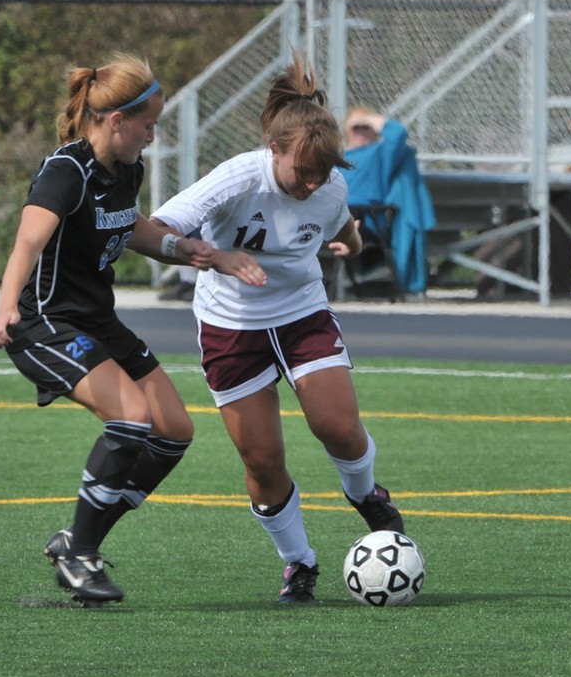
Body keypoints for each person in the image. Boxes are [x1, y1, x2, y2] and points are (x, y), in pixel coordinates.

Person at [0, 53, 255, 606]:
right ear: (115, 121)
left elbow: (132, 229)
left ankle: (77, 544)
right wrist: (5, 305)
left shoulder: (128, 170)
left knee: (173, 431)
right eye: (149, 124)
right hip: (44, 322)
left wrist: (195, 251)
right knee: (131, 418)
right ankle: (80, 555)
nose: (154, 136)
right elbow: (29, 240)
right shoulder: (66, 171)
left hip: (97, 319)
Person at [152, 55, 405, 604]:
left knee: (336, 426)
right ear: (275, 151)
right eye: (303, 172)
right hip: (230, 328)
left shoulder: (330, 185)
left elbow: (343, 224)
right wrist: (215, 255)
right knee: (263, 463)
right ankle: (299, 564)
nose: (312, 183)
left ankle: (366, 495)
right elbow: (154, 228)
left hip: (301, 314)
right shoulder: (239, 178)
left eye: (322, 173)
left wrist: (352, 244)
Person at [342, 107, 437, 296]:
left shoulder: (379, 154)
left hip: (365, 218)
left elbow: (398, 133)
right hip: (331, 214)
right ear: (347, 130)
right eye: (356, 127)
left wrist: (372, 119)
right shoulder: (336, 158)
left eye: (366, 127)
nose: (361, 131)